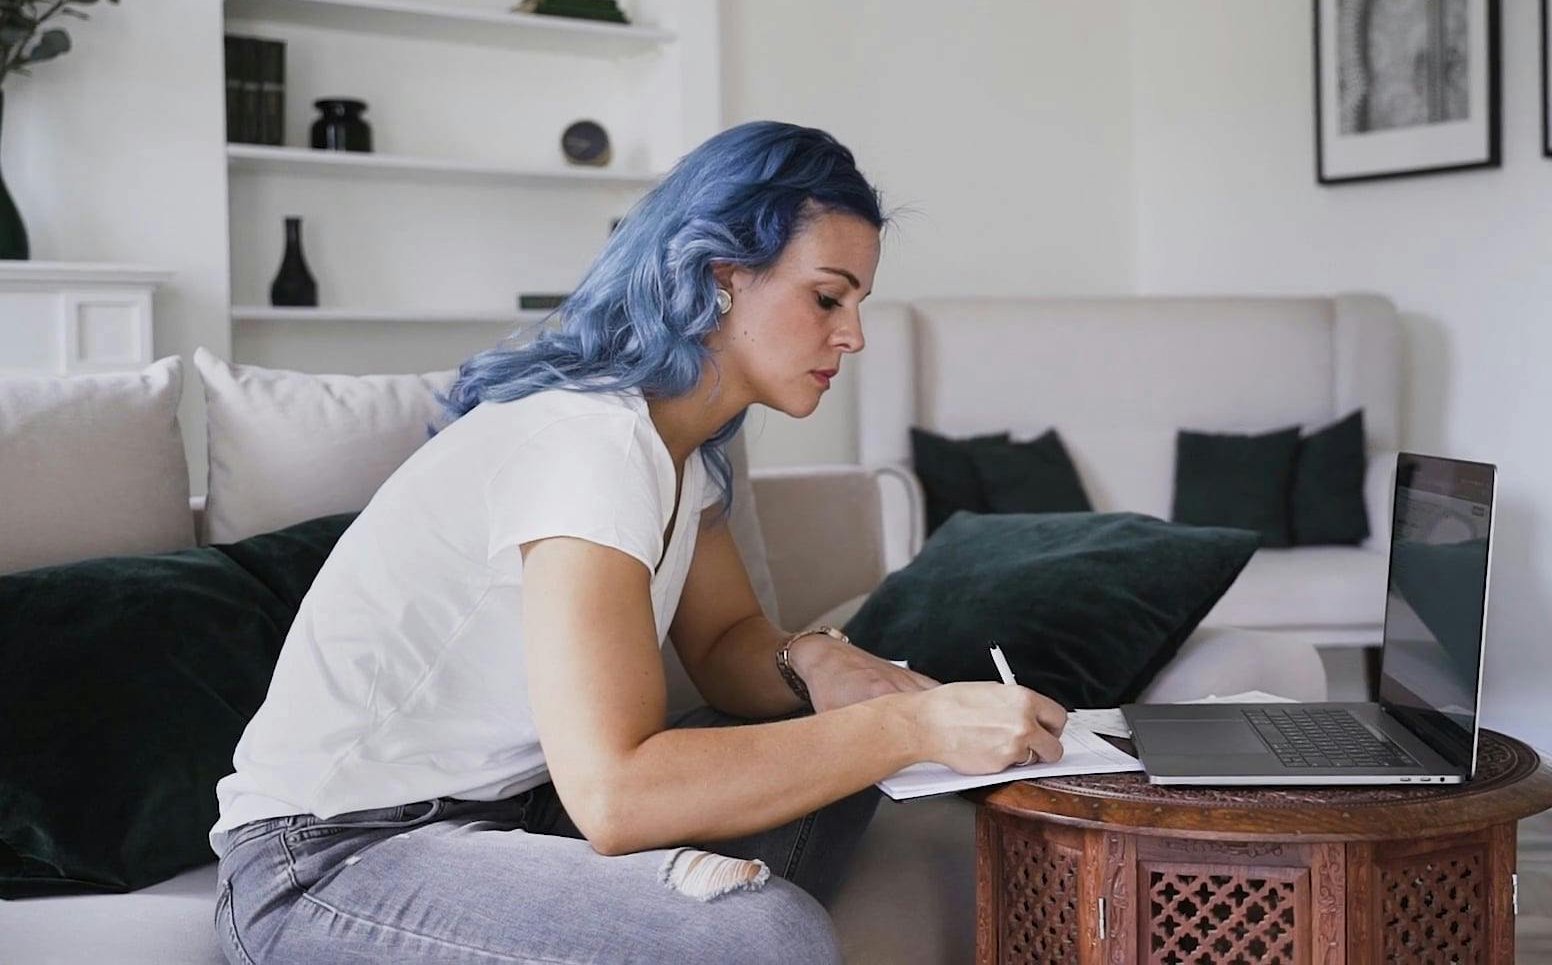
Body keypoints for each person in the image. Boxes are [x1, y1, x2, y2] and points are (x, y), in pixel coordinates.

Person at [209, 122, 1068, 964]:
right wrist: (906, 726)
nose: (853, 335)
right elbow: (616, 796)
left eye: (858, 304)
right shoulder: (590, 443)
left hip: (509, 813)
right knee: (767, 932)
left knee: (829, 763)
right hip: (331, 861)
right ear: (722, 276)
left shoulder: (679, 449)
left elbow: (726, 642)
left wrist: (817, 662)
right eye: (826, 297)